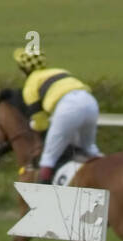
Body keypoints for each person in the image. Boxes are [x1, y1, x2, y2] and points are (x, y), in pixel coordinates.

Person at [12, 48, 101, 184]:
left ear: (23, 69)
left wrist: (37, 127)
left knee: (49, 156)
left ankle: (43, 189)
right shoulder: (60, 71)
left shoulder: (30, 85)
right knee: (89, 148)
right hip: (90, 102)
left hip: (67, 107)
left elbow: (40, 122)